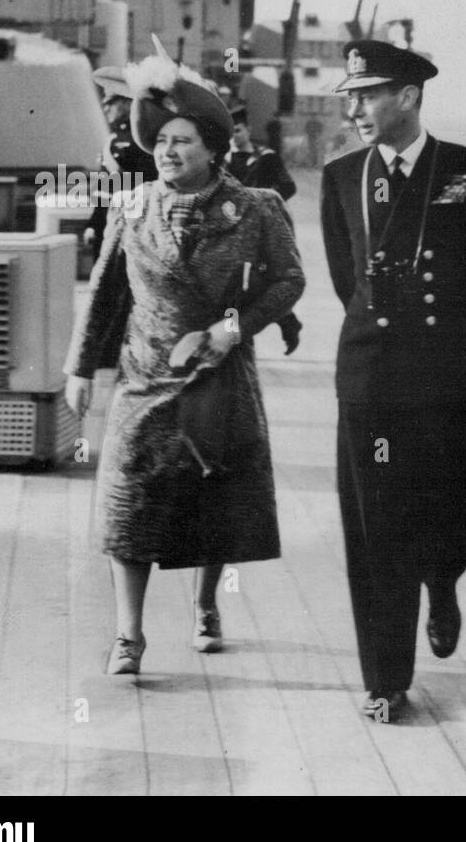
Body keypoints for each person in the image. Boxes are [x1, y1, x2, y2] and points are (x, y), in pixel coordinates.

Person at [63, 52, 305, 675]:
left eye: (183, 141)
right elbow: (106, 294)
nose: (168, 152)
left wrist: (234, 327)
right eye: (162, 141)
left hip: (217, 377)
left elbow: (289, 281)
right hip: (144, 378)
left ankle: (205, 607)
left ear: (214, 147)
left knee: (215, 495)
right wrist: (79, 369)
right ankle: (129, 635)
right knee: (128, 505)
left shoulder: (257, 208)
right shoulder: (131, 208)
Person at [320, 40, 466, 722]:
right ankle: (385, 678)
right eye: (349, 95)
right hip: (372, 380)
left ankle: (443, 579)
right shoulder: (342, 177)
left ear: (408, 95)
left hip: (450, 380)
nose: (353, 108)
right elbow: (349, 281)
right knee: (374, 529)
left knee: (458, 512)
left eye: (367, 93)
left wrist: (465, 331)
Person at [226, 106, 302, 353]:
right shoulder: (222, 158)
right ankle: (233, 334)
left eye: (238, 130)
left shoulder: (266, 157)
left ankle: (287, 322)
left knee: (266, 281)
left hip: (260, 230)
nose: (234, 136)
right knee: (233, 283)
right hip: (231, 230)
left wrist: (265, 202)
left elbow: (288, 187)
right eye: (231, 132)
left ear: (248, 130)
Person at [85, 67, 157, 263]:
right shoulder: (114, 140)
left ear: (126, 103)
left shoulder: (139, 141)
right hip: (111, 220)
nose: (106, 109)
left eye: (111, 103)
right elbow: (103, 190)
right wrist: (95, 223)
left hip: (133, 224)